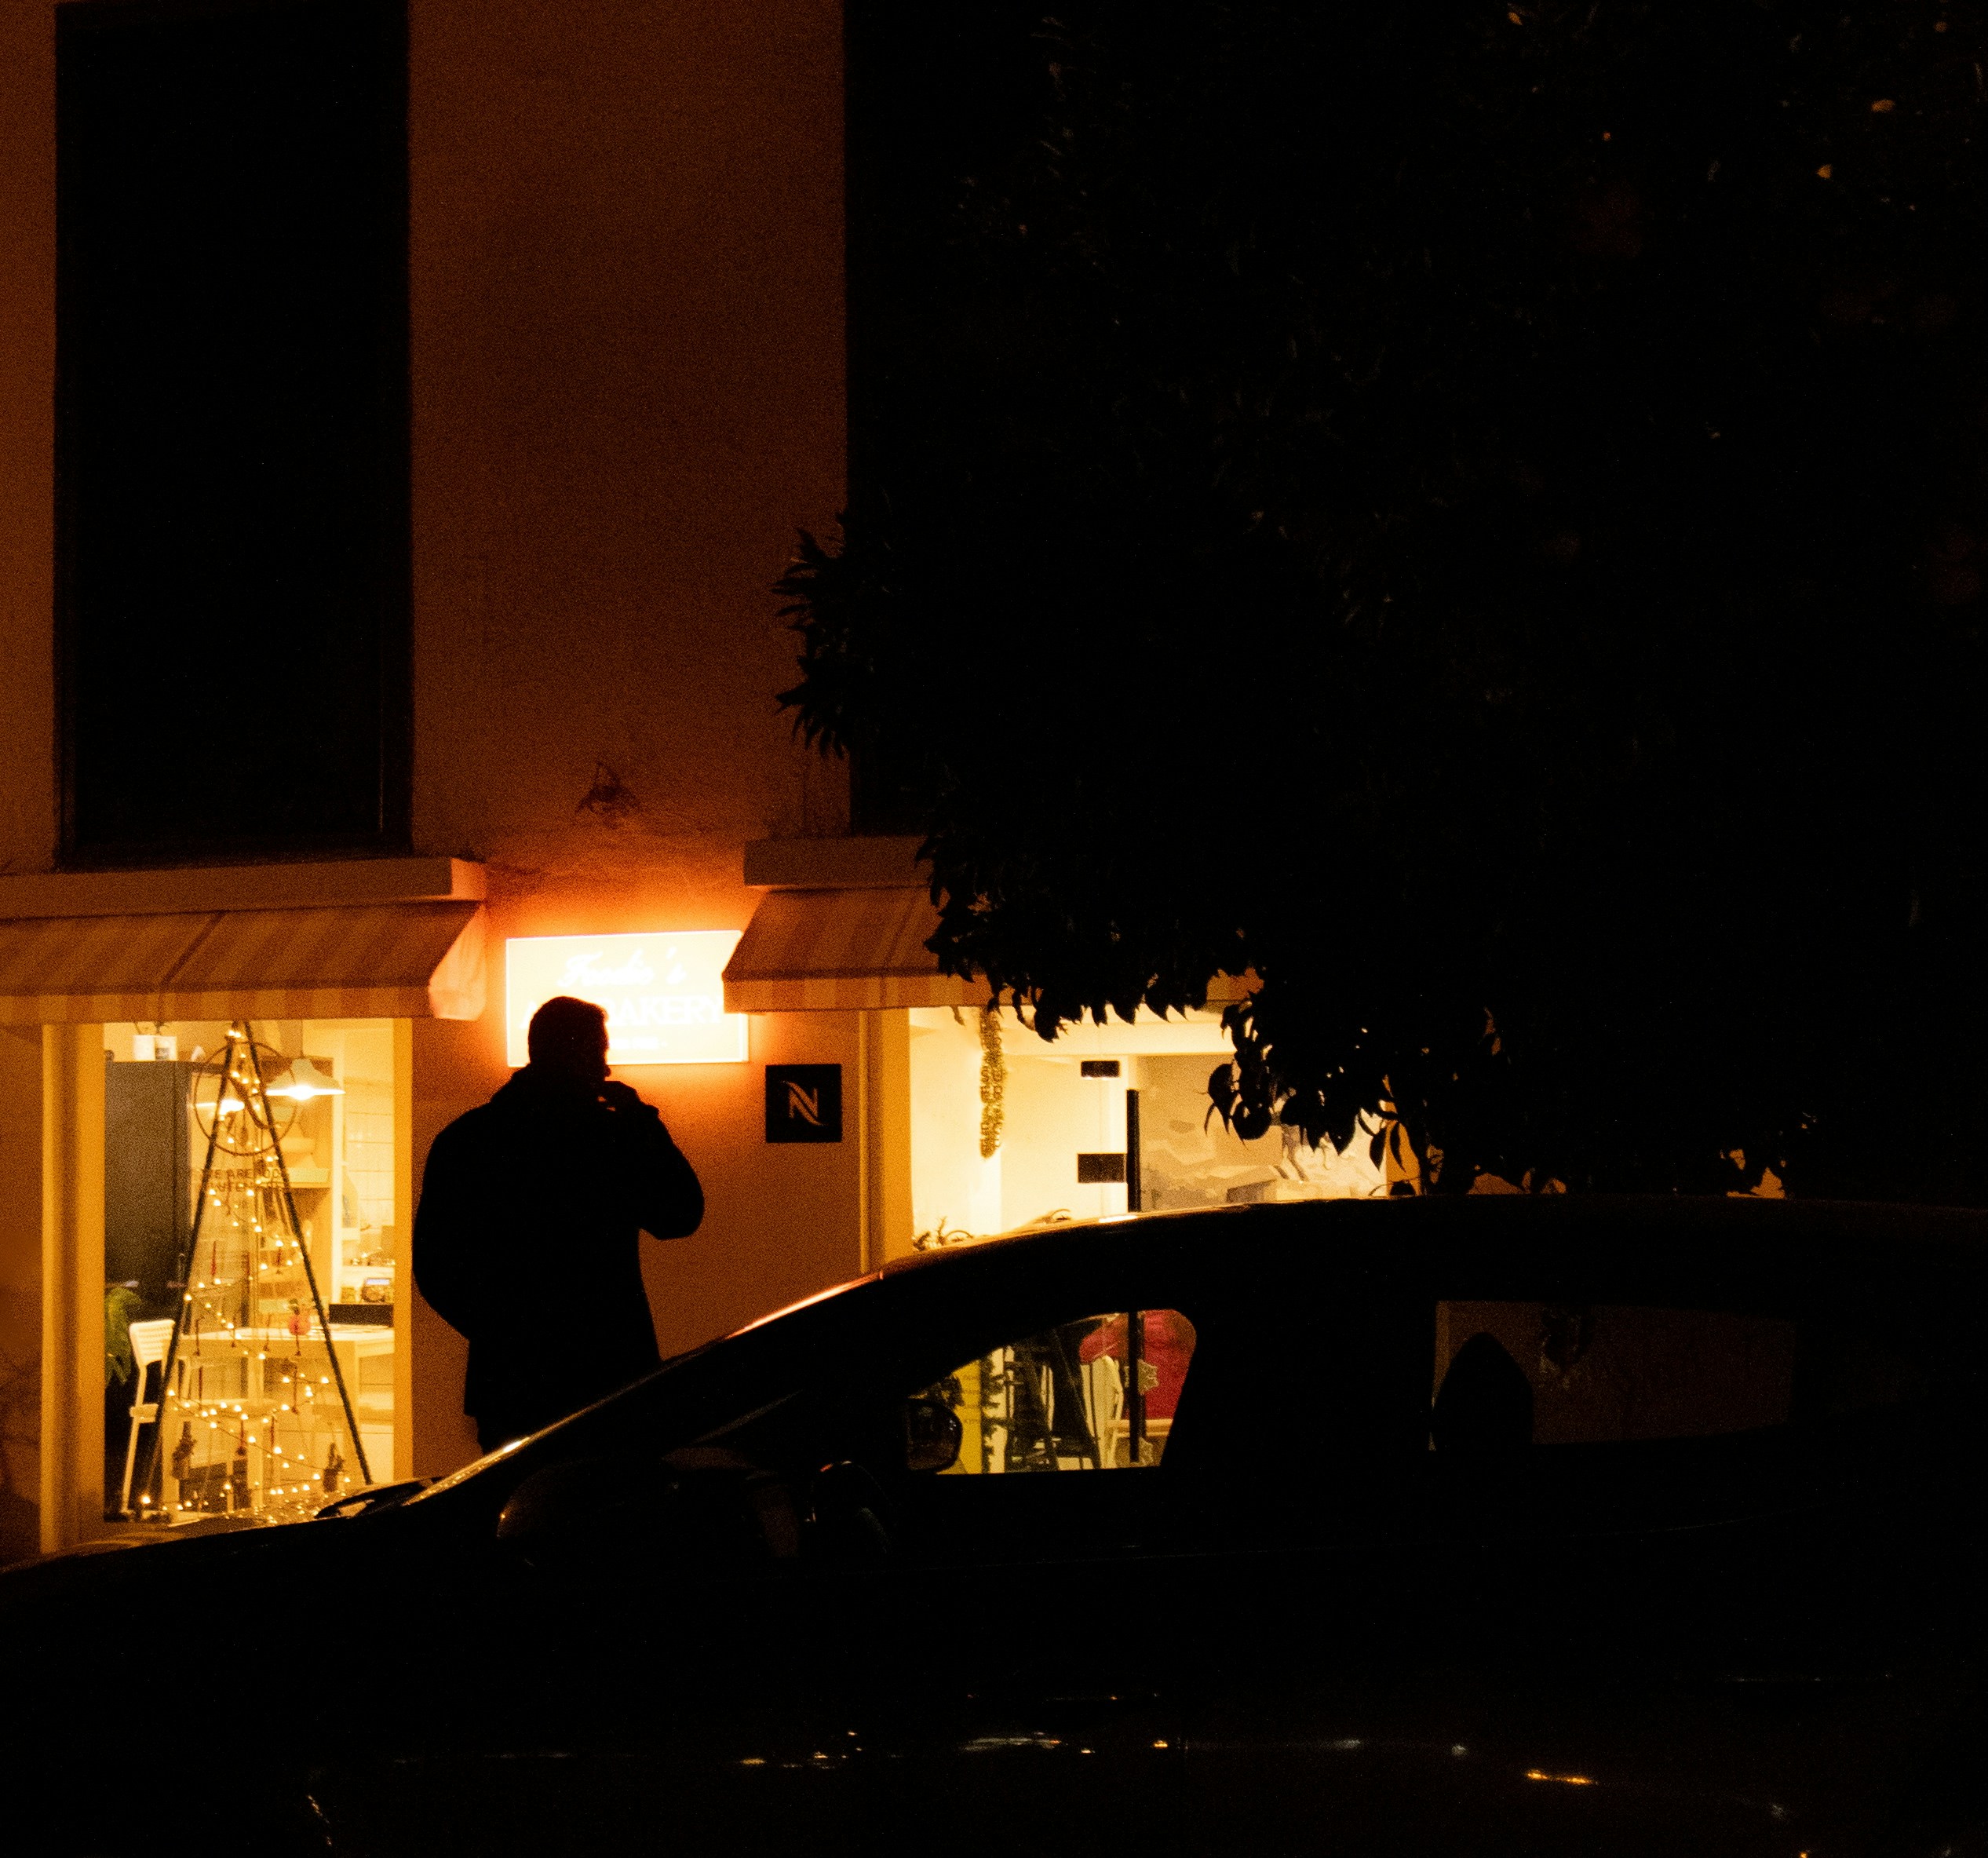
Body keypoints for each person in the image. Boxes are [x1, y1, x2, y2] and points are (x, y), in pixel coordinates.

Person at [414, 995, 704, 1451]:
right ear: (580, 1055)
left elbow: (435, 1268)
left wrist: (505, 1332)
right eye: (600, 1052)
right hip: (612, 1370)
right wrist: (643, 1122)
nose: (606, 1068)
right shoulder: (607, 1137)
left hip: (510, 1382)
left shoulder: (468, 1139)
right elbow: (680, 1215)